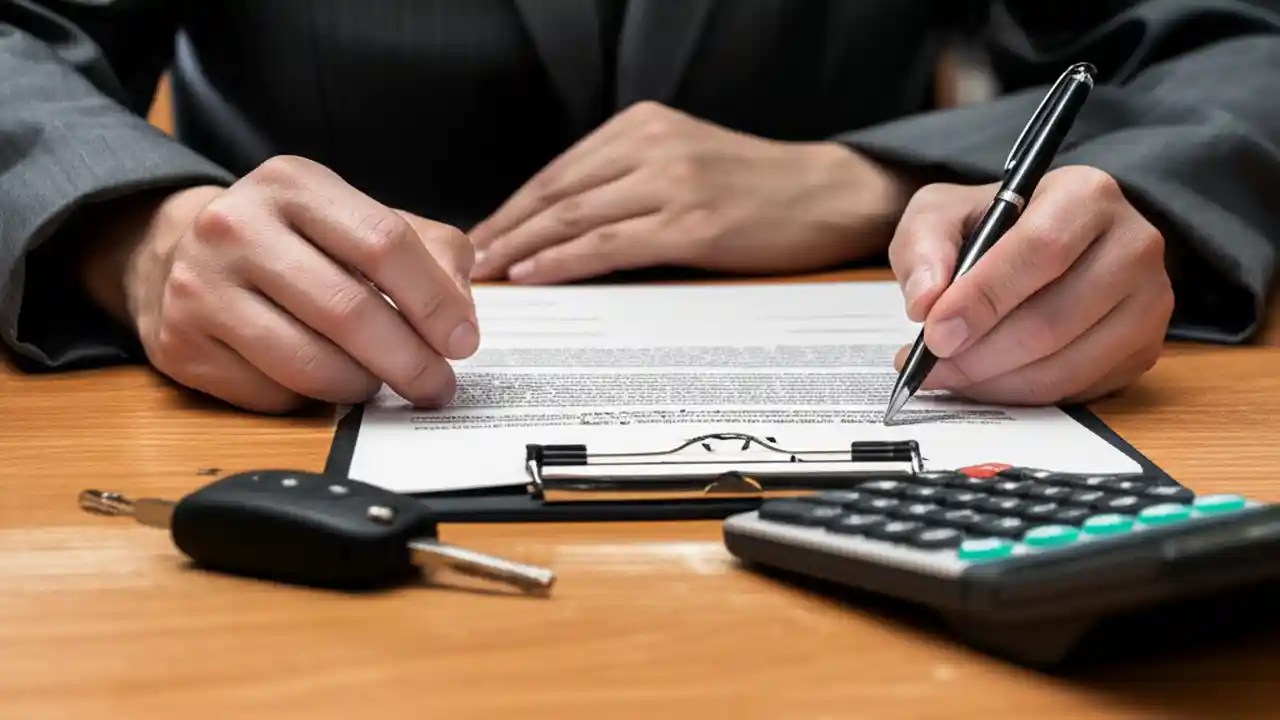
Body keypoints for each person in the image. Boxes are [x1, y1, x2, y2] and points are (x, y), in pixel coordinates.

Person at [1, 1, 1277, 414]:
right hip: (285, 406)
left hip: (868, 384)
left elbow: (1235, 41)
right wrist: (138, 232)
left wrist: (865, 176)